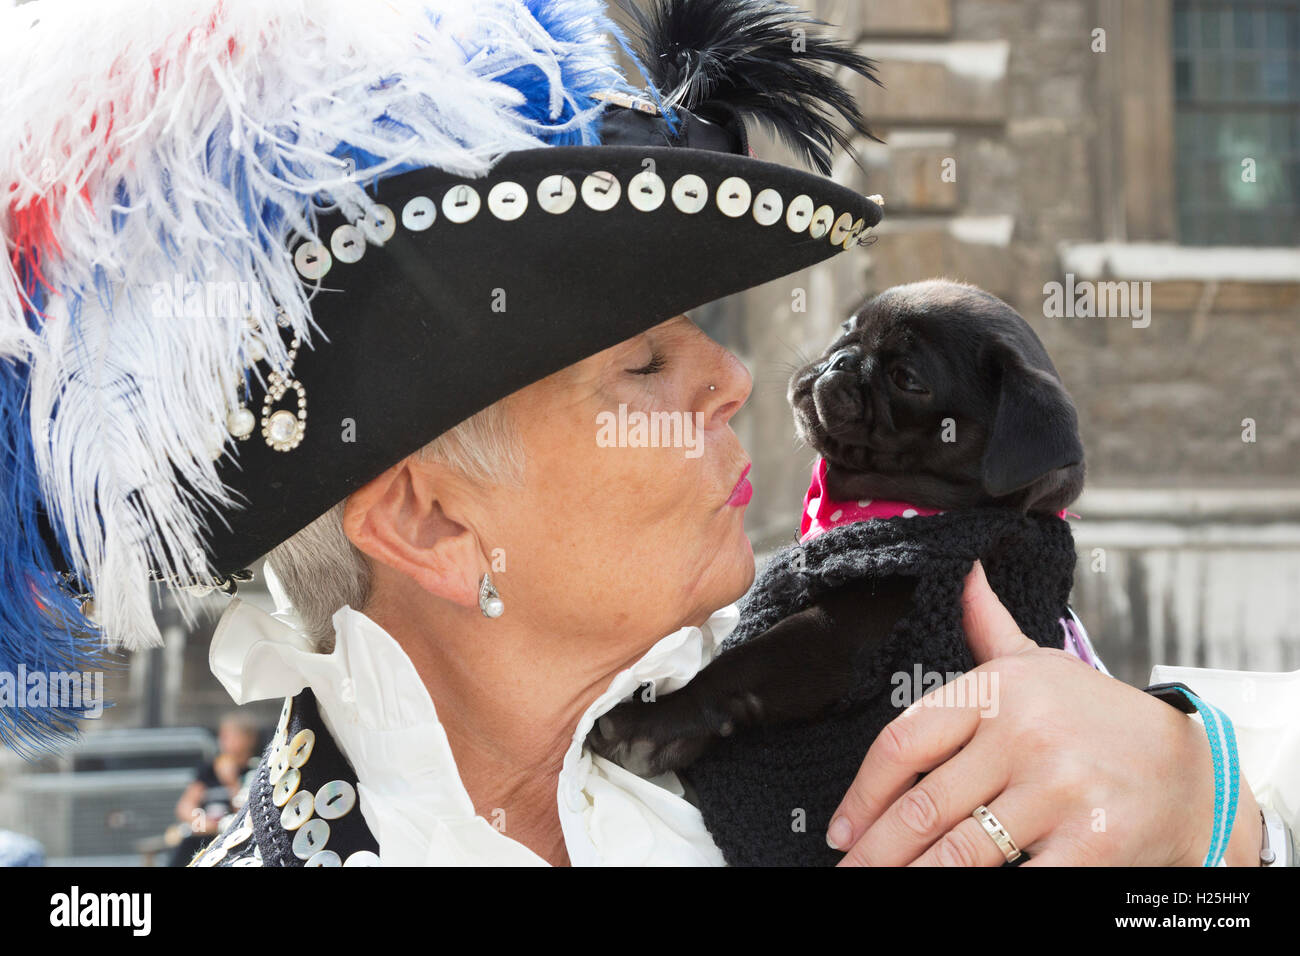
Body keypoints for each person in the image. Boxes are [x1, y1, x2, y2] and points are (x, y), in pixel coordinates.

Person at [1, 0, 1293, 868]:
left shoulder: (876, 729)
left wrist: (1205, 797)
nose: (733, 376)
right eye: (643, 359)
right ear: (430, 520)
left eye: (698, 331)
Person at [167, 713, 259, 866]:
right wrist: (203, 823)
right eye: (222, 735)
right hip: (200, 838)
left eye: (231, 735)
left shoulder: (253, 771)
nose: (222, 740)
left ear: (249, 739)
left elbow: (247, 814)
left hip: (233, 841)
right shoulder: (209, 770)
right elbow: (184, 807)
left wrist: (231, 782)